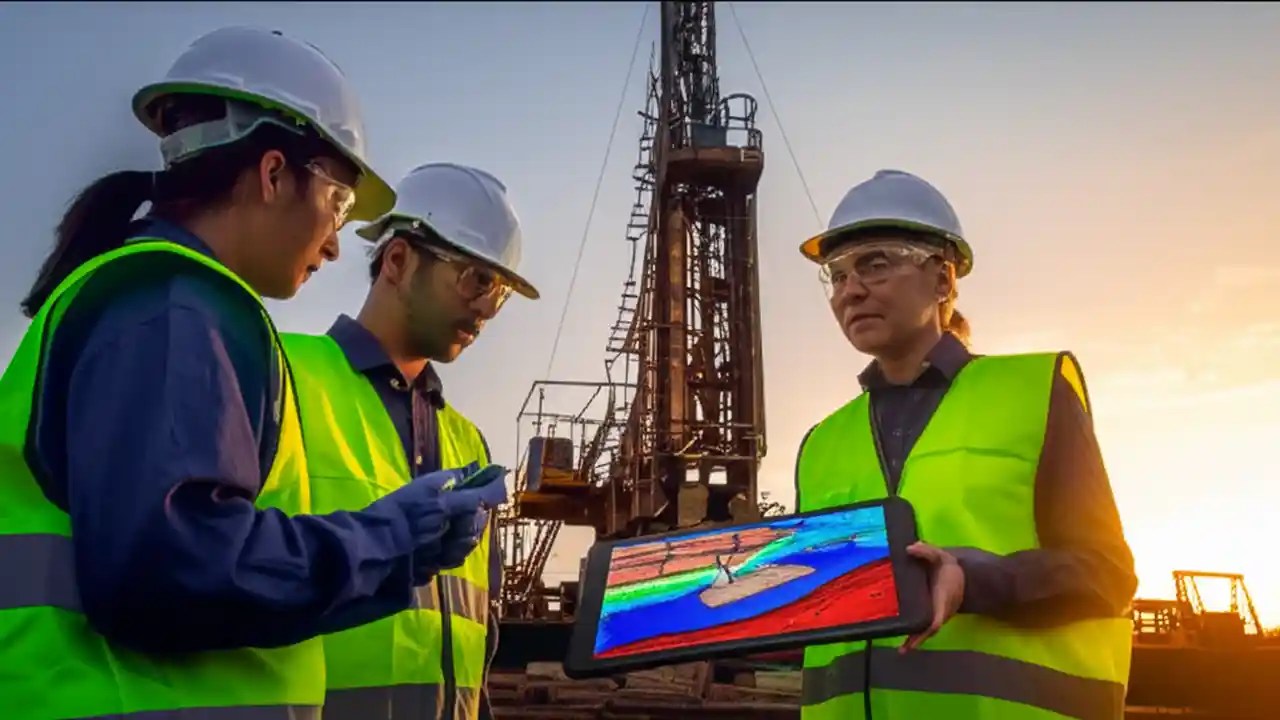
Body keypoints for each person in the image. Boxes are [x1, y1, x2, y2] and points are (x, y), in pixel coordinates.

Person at [0, 27, 501, 720]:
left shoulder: (156, 299)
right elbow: (171, 571)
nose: (333, 243)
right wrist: (390, 538)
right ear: (272, 174)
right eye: (341, 204)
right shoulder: (175, 305)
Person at [792, 169, 1137, 720]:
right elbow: (809, 609)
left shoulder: (1030, 394)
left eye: (875, 264)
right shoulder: (822, 445)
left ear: (944, 279)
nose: (849, 291)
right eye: (836, 275)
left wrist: (974, 579)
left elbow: (1107, 573)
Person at [281, 162, 539, 720]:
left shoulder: (469, 443)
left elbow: (479, 642)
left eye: (501, 294)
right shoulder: (286, 379)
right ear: (397, 260)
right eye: (475, 280)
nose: (487, 310)